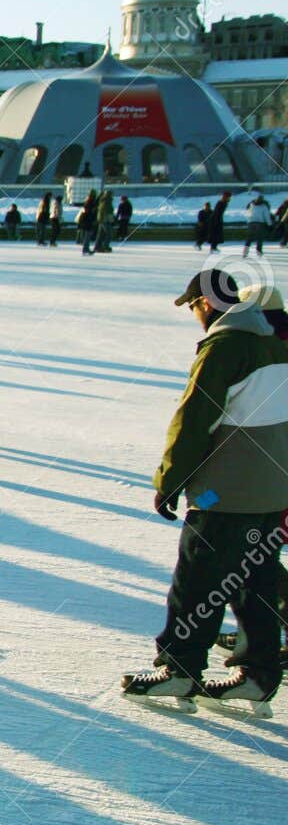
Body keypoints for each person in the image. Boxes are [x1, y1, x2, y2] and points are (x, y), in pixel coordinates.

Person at [122, 270, 288, 712]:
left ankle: (180, 669)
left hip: (225, 492)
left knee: (197, 579)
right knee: (255, 580)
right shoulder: (274, 342)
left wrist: (170, 481)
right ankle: (258, 675)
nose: (195, 316)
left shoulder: (225, 345)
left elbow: (195, 419)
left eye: (194, 306)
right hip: (273, 491)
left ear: (207, 303)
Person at [244, 192, 272, 256]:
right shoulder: (264, 206)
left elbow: (247, 214)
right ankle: (259, 251)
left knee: (249, 238)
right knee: (259, 238)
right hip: (260, 223)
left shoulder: (251, 205)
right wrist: (270, 224)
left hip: (251, 223)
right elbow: (267, 216)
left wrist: (248, 221)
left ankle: (245, 251)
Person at [94, 187, 116, 254]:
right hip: (105, 220)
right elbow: (107, 212)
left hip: (101, 219)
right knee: (109, 234)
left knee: (100, 234)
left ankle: (97, 246)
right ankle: (105, 246)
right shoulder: (107, 202)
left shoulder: (103, 200)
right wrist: (111, 220)